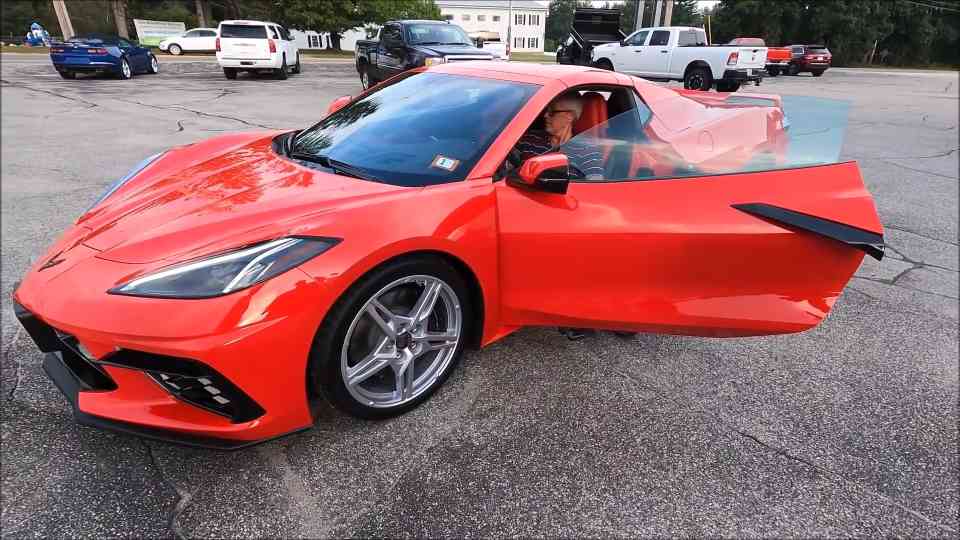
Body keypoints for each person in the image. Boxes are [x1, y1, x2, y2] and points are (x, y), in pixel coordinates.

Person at [513, 93, 605, 180]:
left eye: (552, 112)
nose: (545, 115)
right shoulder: (528, 138)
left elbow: (595, 188)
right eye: (546, 110)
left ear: (569, 116)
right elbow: (504, 169)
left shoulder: (587, 150)